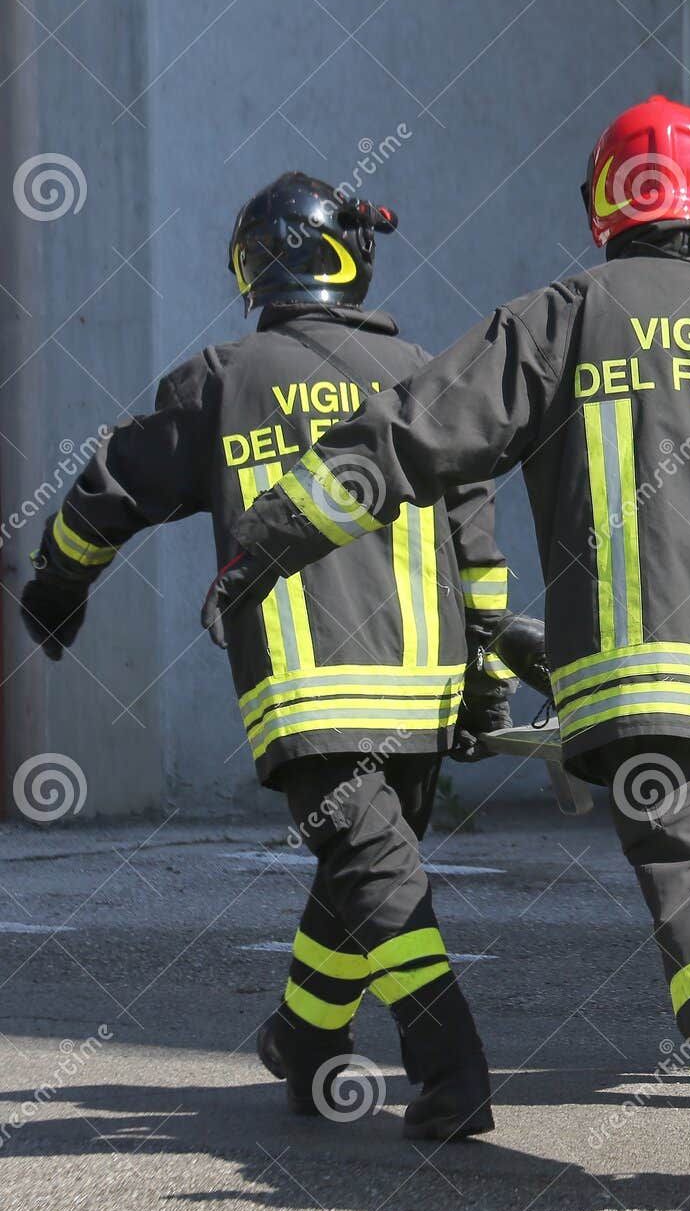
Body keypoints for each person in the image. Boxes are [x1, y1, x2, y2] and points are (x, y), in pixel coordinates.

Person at [201, 99, 690, 1211]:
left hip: (646, 691)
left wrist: (280, 526)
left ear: (608, 205)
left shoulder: (564, 315)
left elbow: (413, 438)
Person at [18, 172, 511, 1141]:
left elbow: (112, 485)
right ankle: (325, 1045)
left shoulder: (224, 379)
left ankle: (421, 1061)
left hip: (310, 691)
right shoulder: (419, 372)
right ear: (353, 260)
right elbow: (475, 529)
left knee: (368, 871)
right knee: (370, 863)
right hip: (420, 689)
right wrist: (487, 669)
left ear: (255, 266)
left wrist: (56, 586)